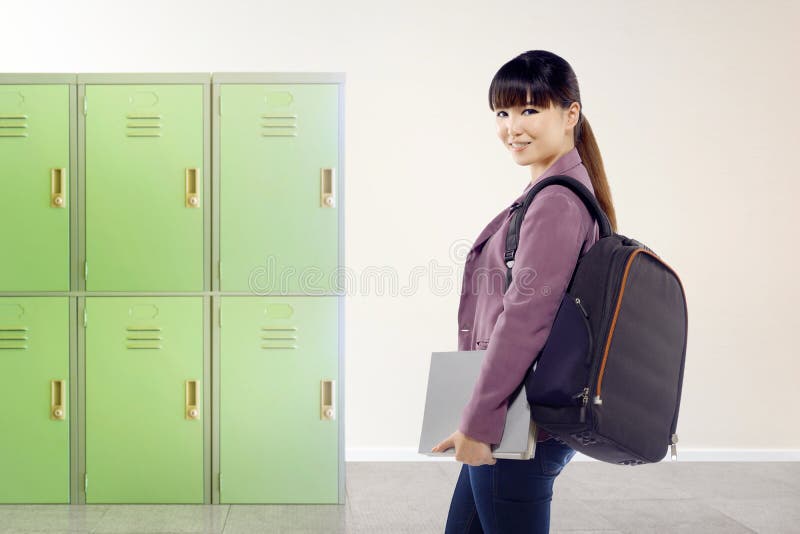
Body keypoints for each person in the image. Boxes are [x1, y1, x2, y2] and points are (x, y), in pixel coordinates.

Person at [431, 50, 618, 533]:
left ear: (570, 113)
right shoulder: (559, 189)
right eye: (503, 112)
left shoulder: (556, 201)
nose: (513, 126)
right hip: (516, 417)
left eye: (530, 110)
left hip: (519, 422)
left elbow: (523, 319)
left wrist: (479, 423)